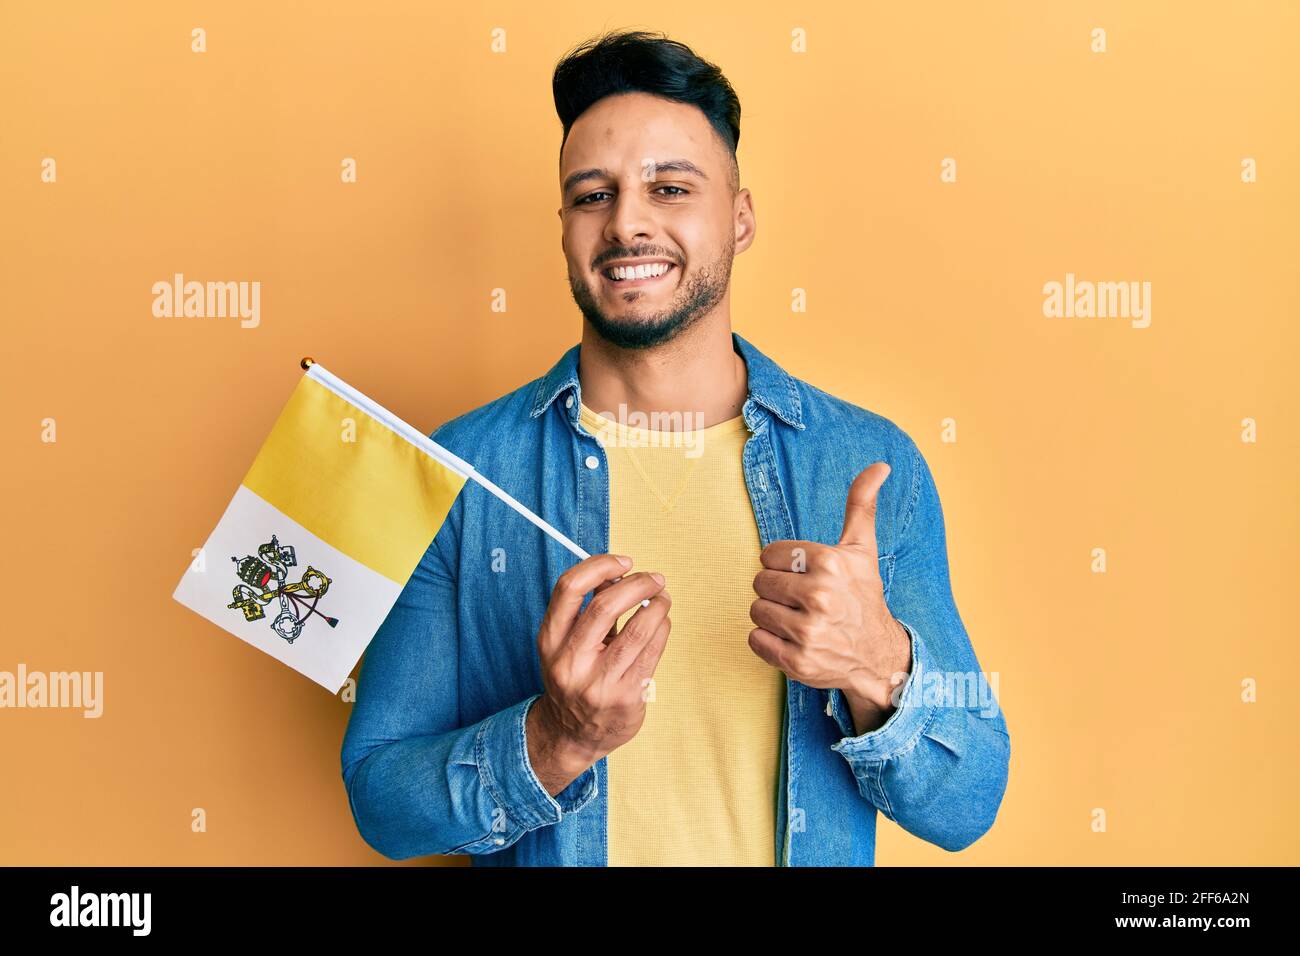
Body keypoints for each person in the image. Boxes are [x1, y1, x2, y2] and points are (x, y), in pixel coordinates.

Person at [340, 29, 1010, 866]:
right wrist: (555, 739)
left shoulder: (868, 463)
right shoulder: (459, 472)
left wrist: (879, 666)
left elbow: (970, 799)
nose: (627, 223)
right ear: (563, 228)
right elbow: (381, 800)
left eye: (669, 188)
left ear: (740, 218)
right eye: (593, 195)